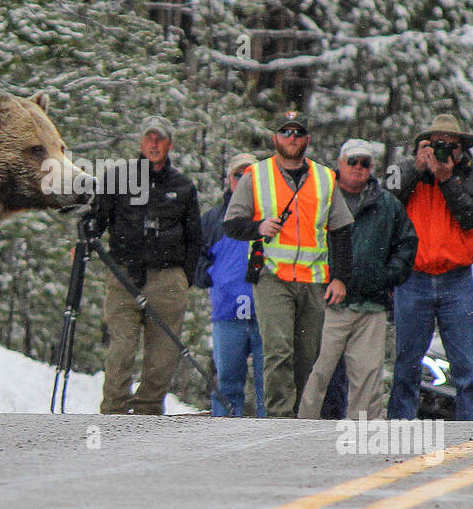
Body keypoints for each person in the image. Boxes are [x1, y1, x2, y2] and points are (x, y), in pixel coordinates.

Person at [223, 109, 354, 418]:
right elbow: (231, 223)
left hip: (313, 278)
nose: (291, 138)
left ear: (307, 139)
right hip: (272, 275)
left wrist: (340, 278)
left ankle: (299, 417)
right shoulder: (256, 175)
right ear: (275, 138)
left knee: (308, 357)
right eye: (286, 132)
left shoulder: (325, 177)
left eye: (297, 133)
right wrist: (257, 227)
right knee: (279, 351)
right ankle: (278, 417)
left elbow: (342, 230)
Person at [87, 116, 203, 415]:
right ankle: (113, 408)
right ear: (140, 142)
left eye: (160, 139)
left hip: (167, 278)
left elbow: (195, 237)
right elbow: (96, 220)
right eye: (149, 138)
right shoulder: (117, 178)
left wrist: (183, 278)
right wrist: (87, 229)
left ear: (169, 144)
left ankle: (148, 410)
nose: (154, 144)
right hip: (124, 274)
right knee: (122, 346)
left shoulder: (183, 187)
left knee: (163, 354)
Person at [298, 139, 417, 420]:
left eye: (365, 163)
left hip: (371, 305)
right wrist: (319, 279)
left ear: (372, 168)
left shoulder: (387, 204)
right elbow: (302, 238)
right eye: (353, 161)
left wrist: (386, 277)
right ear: (340, 164)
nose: (359, 168)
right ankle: (299, 430)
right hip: (327, 303)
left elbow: (407, 243)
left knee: (368, 378)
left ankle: (364, 440)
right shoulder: (320, 198)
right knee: (316, 372)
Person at [387, 114, 473, 420]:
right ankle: (399, 430)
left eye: (451, 145)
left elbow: (470, 217)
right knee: (406, 364)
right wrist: (416, 169)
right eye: (437, 144)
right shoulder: (404, 170)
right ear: (423, 146)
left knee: (466, 367)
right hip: (413, 278)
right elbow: (385, 204)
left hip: (455, 279)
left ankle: (472, 432)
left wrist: (446, 180)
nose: (444, 151)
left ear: (462, 150)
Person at [196, 153, 264, 417]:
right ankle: (222, 437)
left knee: (267, 384)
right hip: (227, 313)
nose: (244, 180)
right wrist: (208, 274)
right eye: (239, 175)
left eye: (250, 175)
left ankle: (269, 439)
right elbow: (196, 256)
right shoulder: (213, 219)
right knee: (227, 385)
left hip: (265, 314)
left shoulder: (270, 215)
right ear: (229, 180)